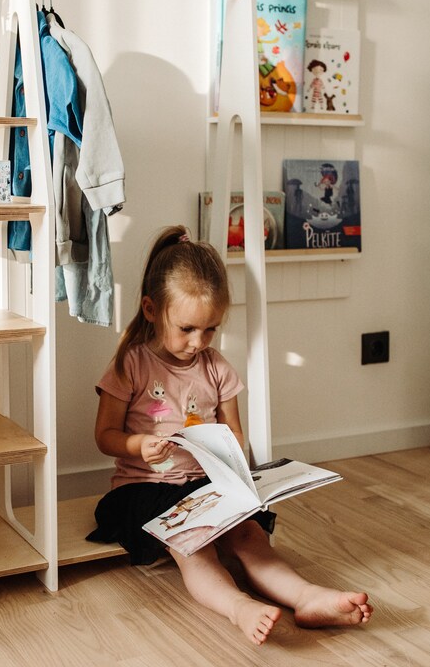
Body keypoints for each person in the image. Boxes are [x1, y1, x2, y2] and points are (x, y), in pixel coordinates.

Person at [86, 225, 372, 645]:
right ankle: (239, 607)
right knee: (194, 548)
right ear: (151, 309)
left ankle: (309, 597)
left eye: (210, 330)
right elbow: (104, 435)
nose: (198, 342)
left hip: (207, 484)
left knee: (251, 536)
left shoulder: (216, 368)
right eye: (186, 329)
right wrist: (137, 445)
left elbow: (235, 432)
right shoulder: (132, 364)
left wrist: (232, 457)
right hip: (146, 488)